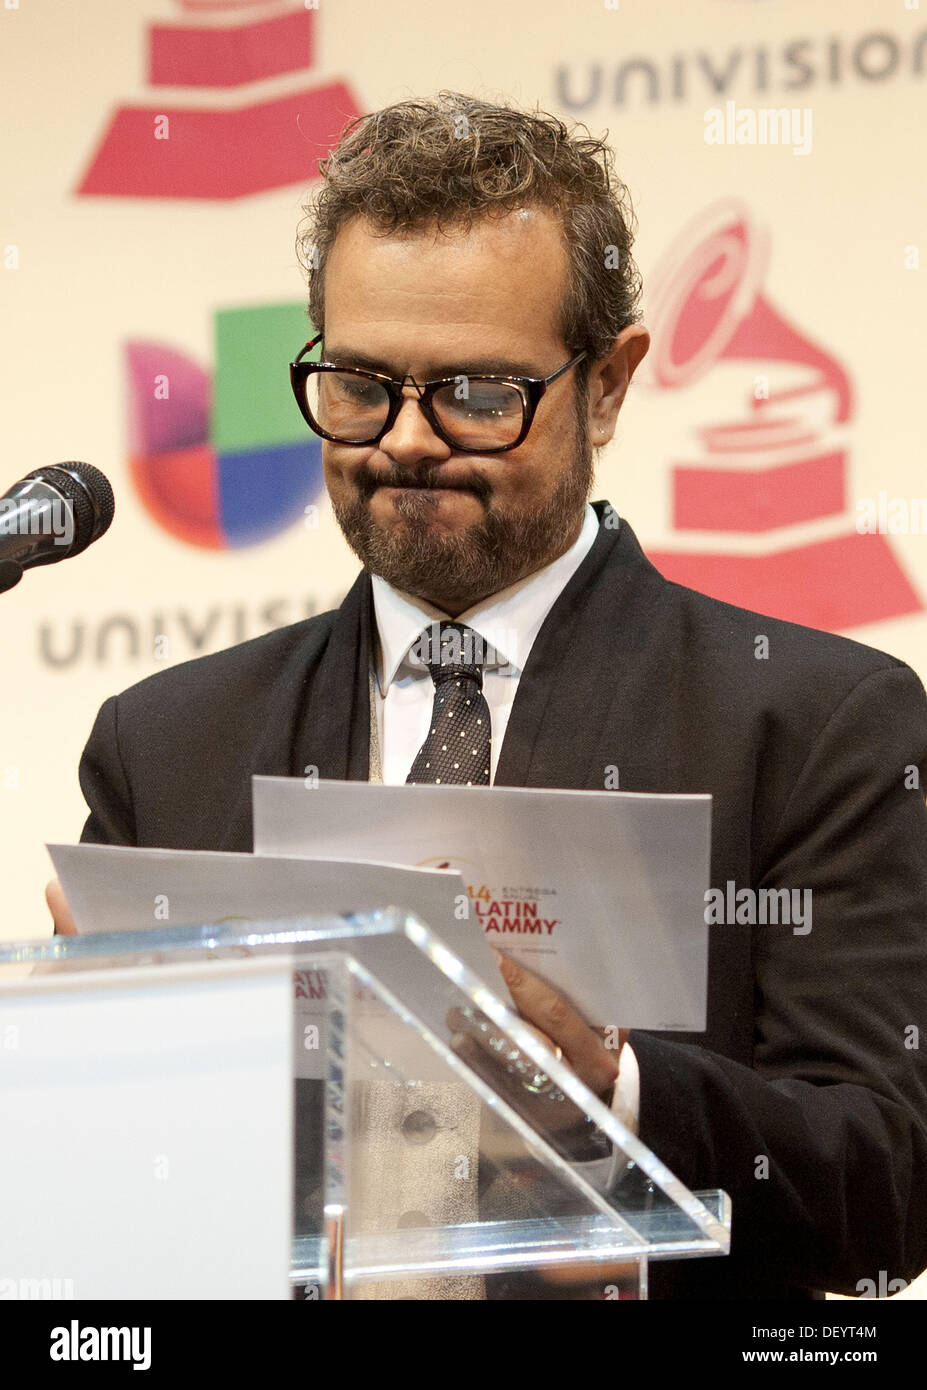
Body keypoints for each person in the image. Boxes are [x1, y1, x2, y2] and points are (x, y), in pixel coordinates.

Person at [48, 92, 927, 1301]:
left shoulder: (817, 723)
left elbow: (887, 1187)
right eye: (359, 383)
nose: (405, 440)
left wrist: (612, 1084)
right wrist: (82, 1086)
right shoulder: (166, 744)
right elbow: (121, 1225)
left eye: (474, 391)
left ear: (609, 387)